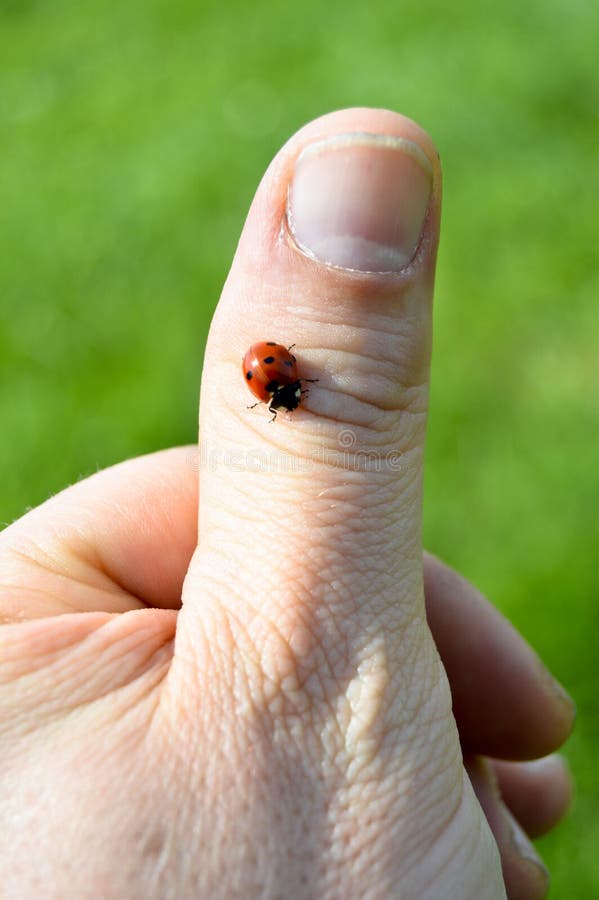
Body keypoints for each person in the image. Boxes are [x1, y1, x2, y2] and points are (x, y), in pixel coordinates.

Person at [0, 108, 573, 899]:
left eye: (285, 392)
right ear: (287, 390)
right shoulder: (281, 378)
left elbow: (274, 373)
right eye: (287, 393)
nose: (287, 393)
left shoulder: (277, 378)